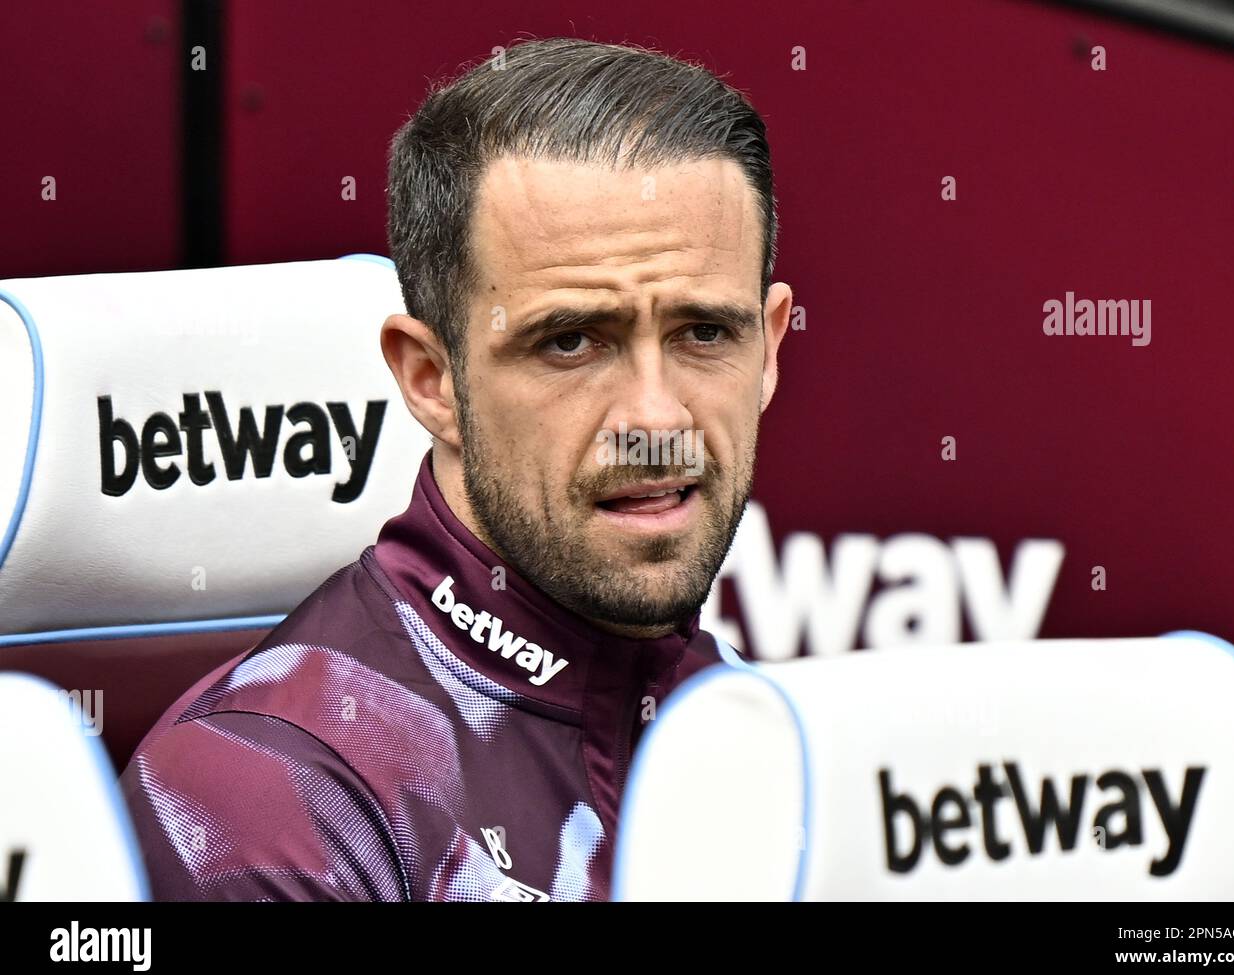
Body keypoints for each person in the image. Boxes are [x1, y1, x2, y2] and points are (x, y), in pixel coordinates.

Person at [120, 35, 793, 901]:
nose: (655, 419)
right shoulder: (261, 795)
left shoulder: (769, 727)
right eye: (571, 340)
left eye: (705, 332)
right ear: (430, 379)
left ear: (771, 348)